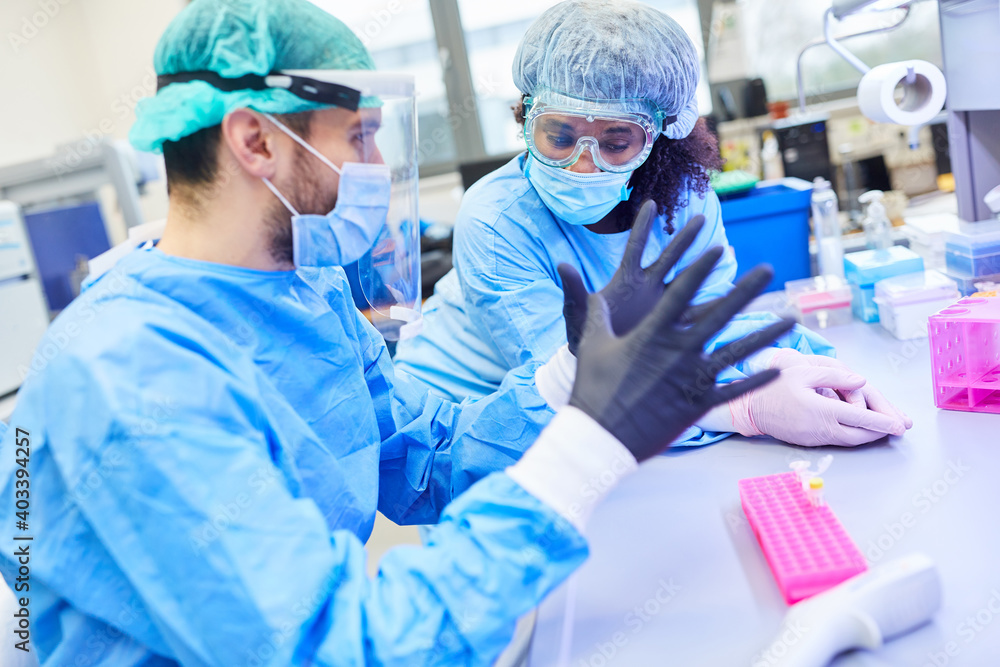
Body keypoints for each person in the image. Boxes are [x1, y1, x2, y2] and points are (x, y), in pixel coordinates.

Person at [0, 0, 790, 664]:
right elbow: (331, 643)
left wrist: (567, 380)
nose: (377, 166)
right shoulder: (127, 373)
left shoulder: (306, 294)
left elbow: (421, 464)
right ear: (255, 142)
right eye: (360, 137)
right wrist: (582, 453)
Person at [395, 0, 912, 448]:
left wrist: (777, 365)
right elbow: (575, 387)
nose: (582, 162)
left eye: (615, 142)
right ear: (524, 116)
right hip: (465, 422)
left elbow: (702, 325)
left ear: (660, 138)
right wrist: (741, 410)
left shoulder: (683, 198)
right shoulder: (496, 220)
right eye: (558, 134)